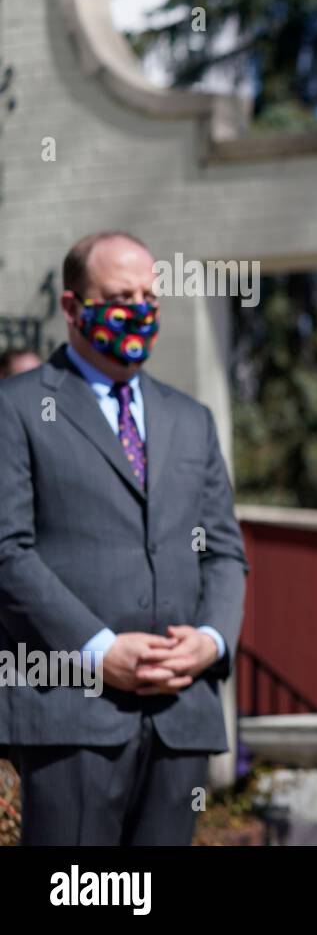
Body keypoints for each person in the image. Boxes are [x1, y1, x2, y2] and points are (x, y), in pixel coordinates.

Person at [0, 231, 248, 845]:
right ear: (71, 308)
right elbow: (8, 551)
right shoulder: (19, 407)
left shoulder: (191, 419)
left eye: (149, 296)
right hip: (72, 713)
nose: (137, 309)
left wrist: (211, 640)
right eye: (118, 296)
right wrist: (97, 650)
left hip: (180, 714)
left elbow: (222, 551)